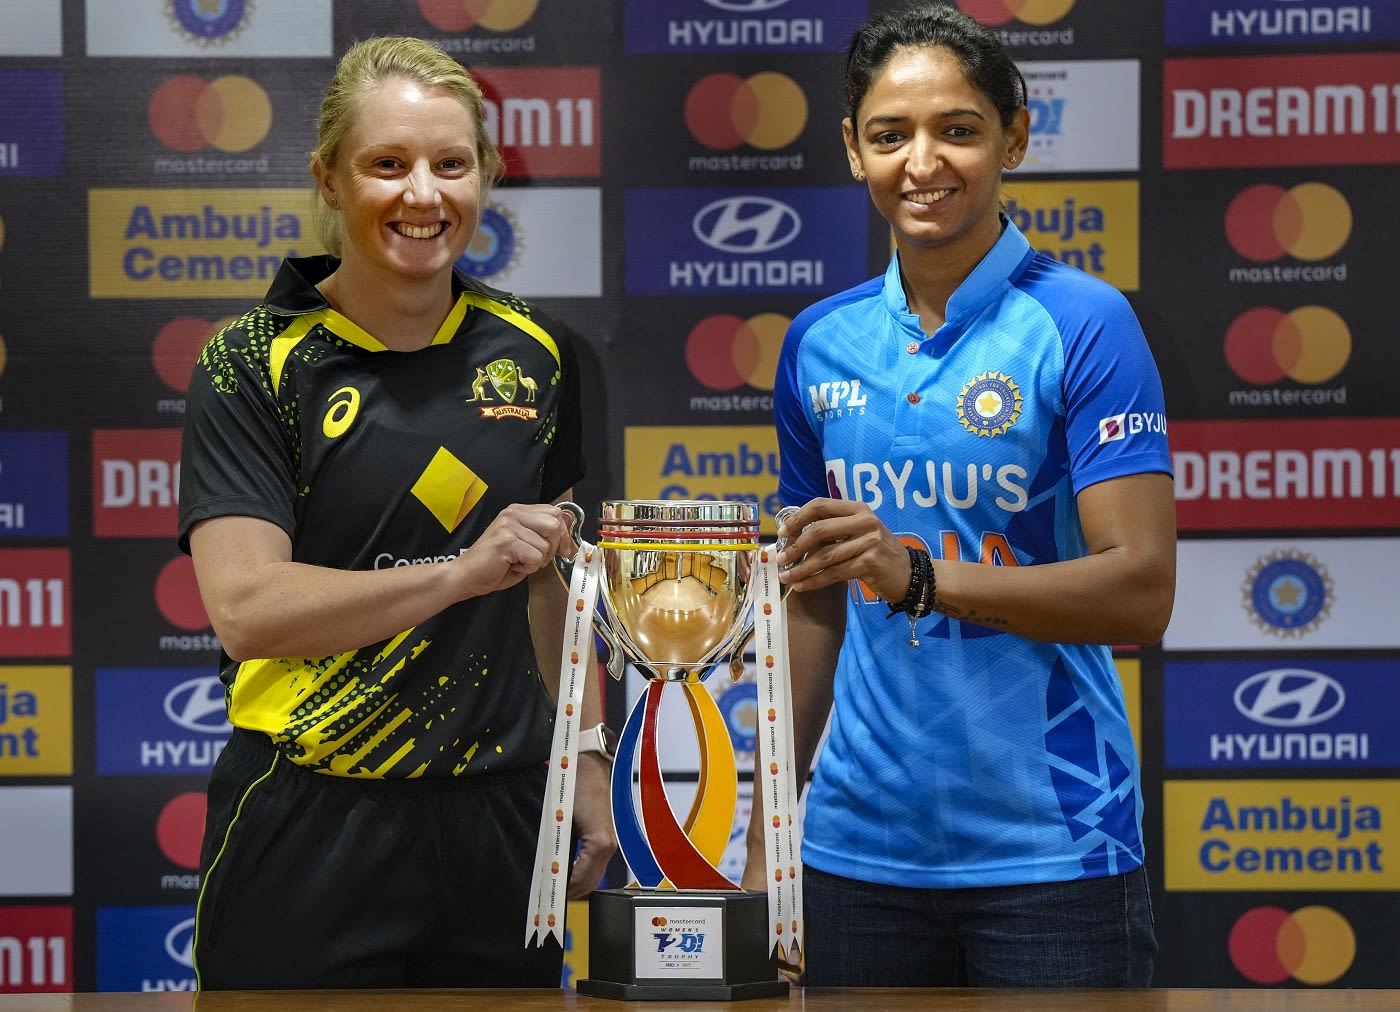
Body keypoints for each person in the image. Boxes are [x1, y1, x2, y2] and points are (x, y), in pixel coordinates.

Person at [742, 2, 1175, 989]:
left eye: (958, 129)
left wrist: (919, 576)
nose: (922, 162)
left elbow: (1140, 592)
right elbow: (811, 600)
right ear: (852, 150)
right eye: (890, 134)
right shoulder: (818, 341)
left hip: (1053, 849)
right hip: (852, 850)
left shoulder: (1084, 323)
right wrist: (771, 836)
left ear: (1013, 138)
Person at [177, 36, 615, 990]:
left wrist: (584, 759)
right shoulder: (252, 360)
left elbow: (555, 587)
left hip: (500, 818)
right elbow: (247, 609)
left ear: (486, 174)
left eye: (451, 164)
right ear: (329, 181)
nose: (423, 194)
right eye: (387, 164)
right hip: (307, 817)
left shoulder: (539, 352)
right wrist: (459, 575)